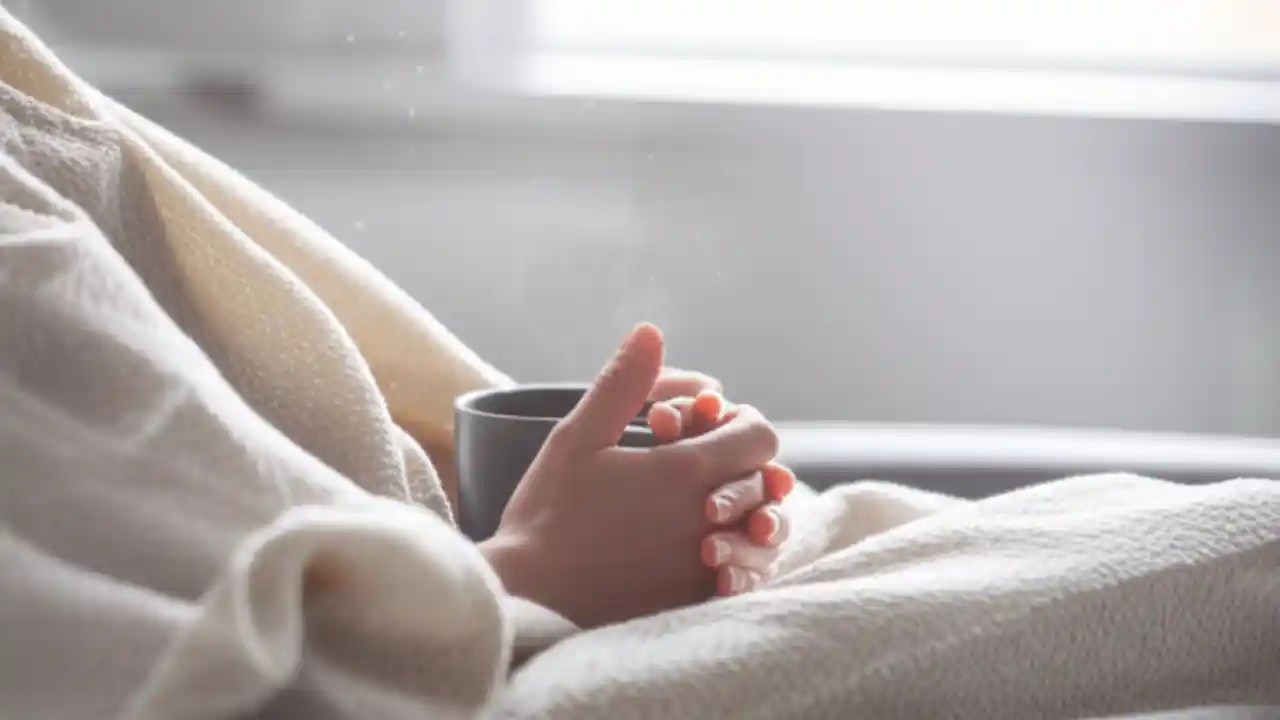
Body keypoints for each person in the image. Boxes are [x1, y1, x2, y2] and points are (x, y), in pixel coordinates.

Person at [4, 9, 1278, 719]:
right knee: (1244, 559)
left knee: (1203, 539)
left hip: (477, 586)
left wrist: (595, 525)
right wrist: (529, 571)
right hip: (454, 660)